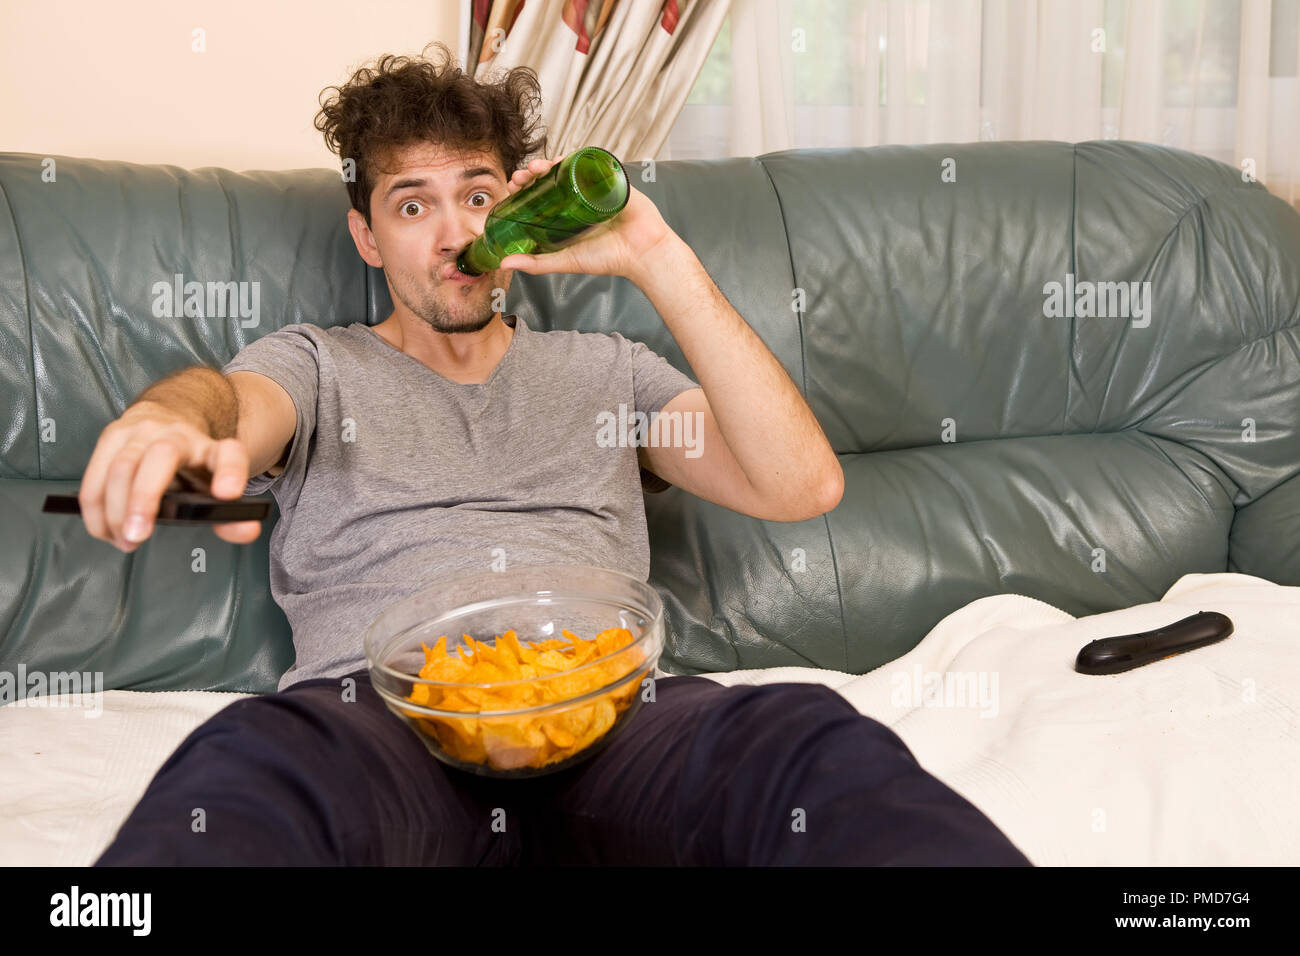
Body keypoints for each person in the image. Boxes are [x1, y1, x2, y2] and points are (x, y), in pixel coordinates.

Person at [83, 42, 1029, 866]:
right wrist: (171, 421)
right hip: (382, 723)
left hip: (614, 718)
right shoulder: (317, 364)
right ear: (367, 236)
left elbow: (803, 483)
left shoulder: (610, 372)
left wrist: (656, 255)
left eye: (478, 196)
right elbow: (229, 406)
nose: (456, 234)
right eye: (413, 206)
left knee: (801, 741)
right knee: (255, 767)